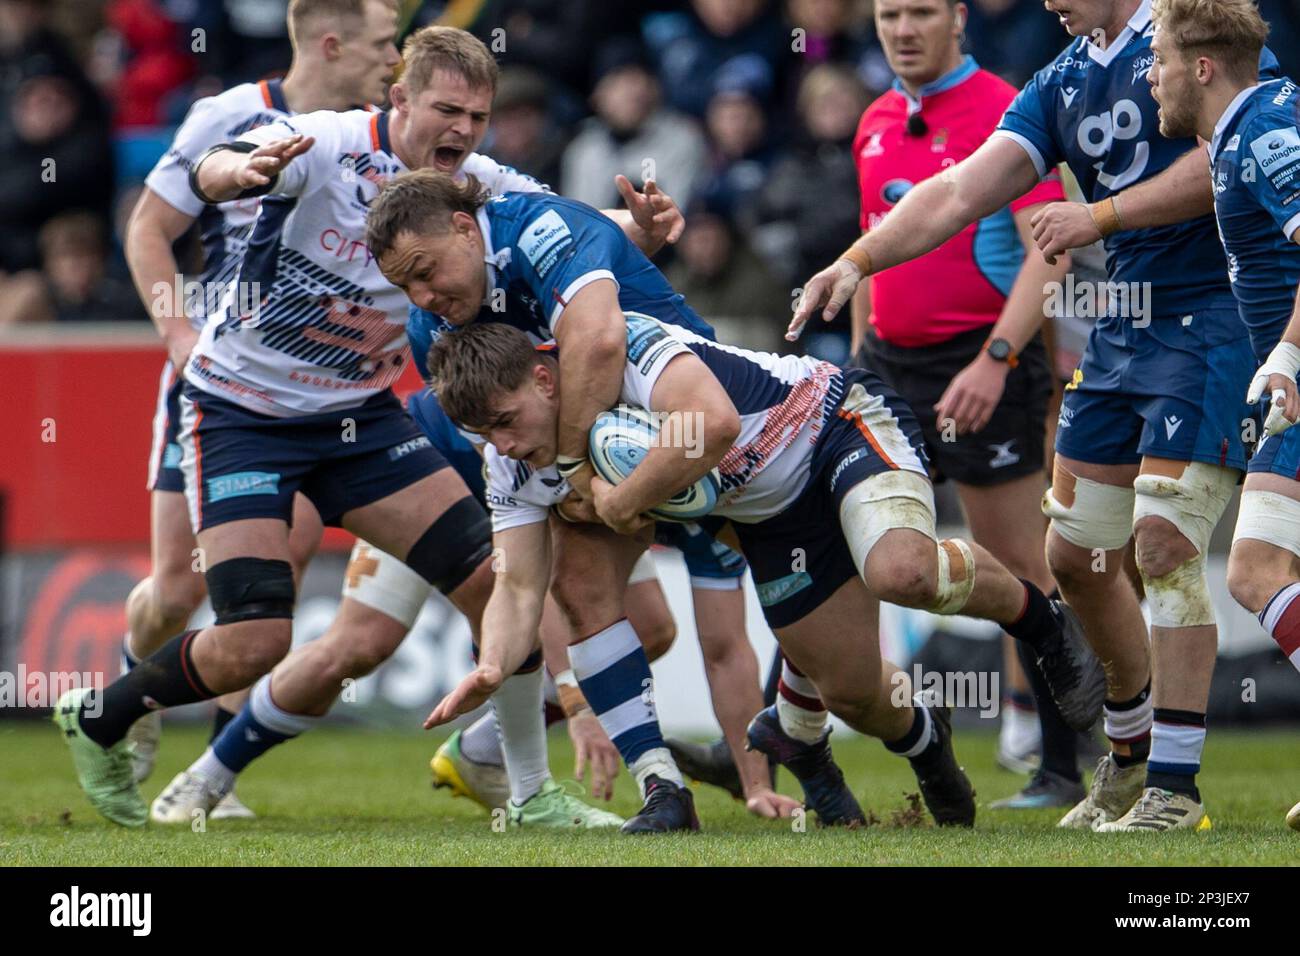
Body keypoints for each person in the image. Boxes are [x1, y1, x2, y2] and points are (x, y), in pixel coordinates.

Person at [55, 25, 681, 833]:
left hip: (358, 417)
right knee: (254, 642)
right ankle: (103, 713)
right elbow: (217, 166)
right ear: (399, 100)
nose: (463, 131)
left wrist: (637, 225)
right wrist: (234, 172)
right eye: (447, 110)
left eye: (478, 117)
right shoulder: (325, 143)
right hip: (242, 413)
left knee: (494, 585)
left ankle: (530, 796)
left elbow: (559, 217)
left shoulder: (473, 184)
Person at [364, 173, 1108, 830]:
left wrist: (619, 497)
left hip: (833, 427)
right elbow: (519, 583)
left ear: (544, 377)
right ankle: (920, 745)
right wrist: (495, 665)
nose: (502, 444)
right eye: (485, 434)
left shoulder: (629, 347)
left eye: (504, 423)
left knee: (901, 571)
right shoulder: (511, 456)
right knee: (855, 694)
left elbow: (712, 425)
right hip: (770, 513)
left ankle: (1043, 623)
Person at [790, 0, 1277, 833]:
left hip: (1211, 322)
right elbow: (956, 192)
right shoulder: (1062, 80)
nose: (1047, 2)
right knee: (1074, 555)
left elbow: (1232, 157)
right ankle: (1129, 752)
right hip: (1122, 329)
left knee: (1162, 544)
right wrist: (856, 261)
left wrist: (1100, 215)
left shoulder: (1191, 35)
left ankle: (1174, 785)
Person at [119, 0, 403, 820]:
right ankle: (134, 688)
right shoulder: (230, 115)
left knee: (274, 576)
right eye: (385, 43)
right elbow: (148, 230)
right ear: (331, 43)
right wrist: (177, 334)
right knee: (177, 590)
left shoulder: (376, 133)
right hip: (216, 381)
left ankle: (215, 775)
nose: (395, 59)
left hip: (315, 392)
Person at [847, 0, 1080, 810]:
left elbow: (1050, 251)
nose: (902, 29)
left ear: (957, 17)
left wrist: (996, 359)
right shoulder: (873, 121)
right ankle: (801, 750)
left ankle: (1060, 764)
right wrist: (858, 356)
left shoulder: (1004, 109)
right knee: (837, 536)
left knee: (1025, 566)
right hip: (888, 366)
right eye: (888, 14)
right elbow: (870, 249)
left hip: (986, 360)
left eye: (921, 12)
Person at [1144, 0, 1300, 831]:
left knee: (1254, 572)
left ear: (1201, 68)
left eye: (1160, 60)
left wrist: (1288, 355)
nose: (1151, 78)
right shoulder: (1249, 128)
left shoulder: (1264, 134)